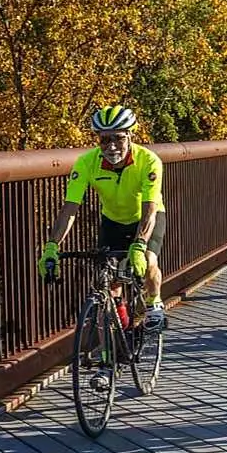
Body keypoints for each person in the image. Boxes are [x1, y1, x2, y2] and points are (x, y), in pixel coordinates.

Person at [41, 104, 168, 333]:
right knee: (107, 281)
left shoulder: (149, 161)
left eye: (118, 139)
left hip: (146, 216)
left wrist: (139, 244)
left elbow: (149, 207)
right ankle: (114, 345)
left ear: (130, 135)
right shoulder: (87, 163)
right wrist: (51, 246)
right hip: (113, 220)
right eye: (104, 140)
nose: (111, 146)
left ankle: (154, 303)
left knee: (148, 260)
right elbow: (69, 209)